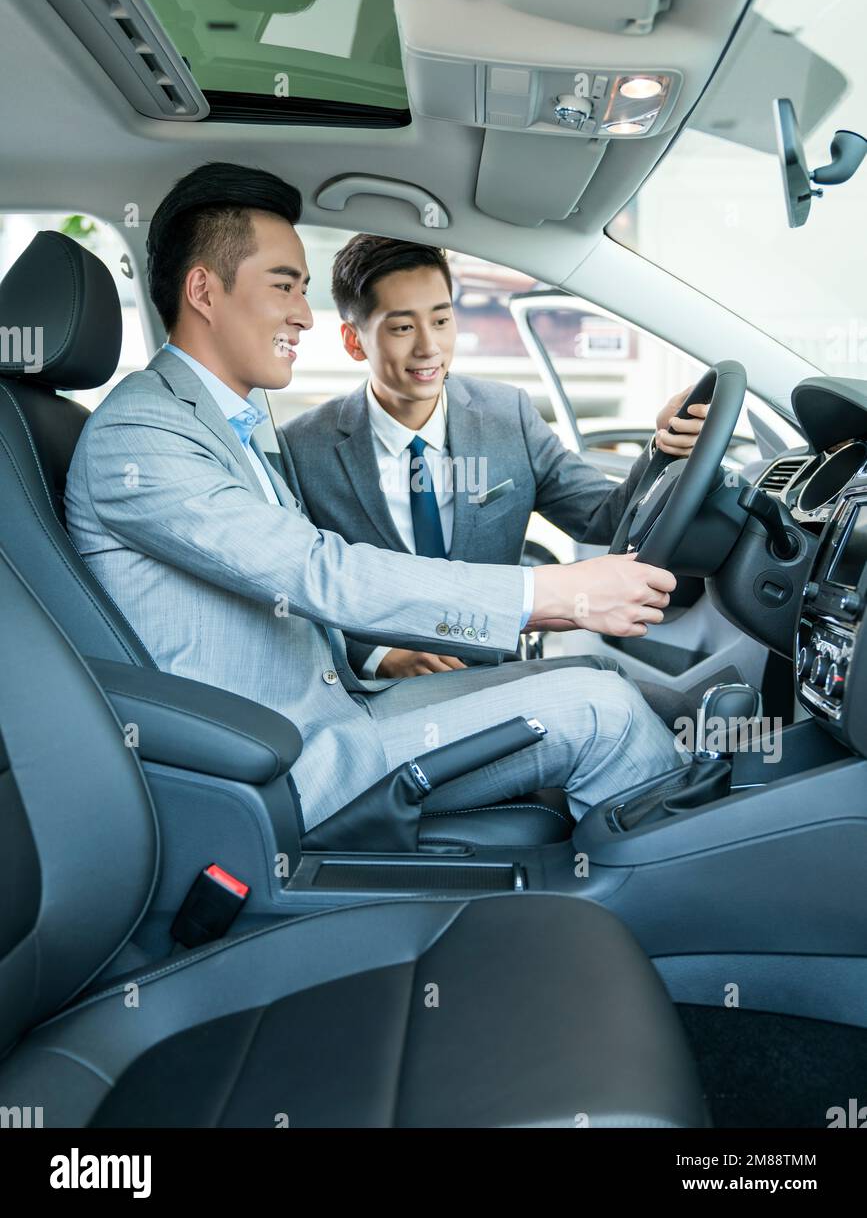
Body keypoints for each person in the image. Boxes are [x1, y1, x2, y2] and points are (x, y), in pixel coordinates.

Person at [65, 162, 684, 833]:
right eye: (284, 287)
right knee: (603, 712)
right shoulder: (142, 432)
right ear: (203, 291)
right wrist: (546, 595)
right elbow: (314, 570)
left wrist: (664, 454)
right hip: (278, 758)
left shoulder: (224, 424)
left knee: (598, 676)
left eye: (304, 291)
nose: (304, 315)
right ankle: (676, 889)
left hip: (337, 709)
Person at [279, 234, 707, 682]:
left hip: (491, 679)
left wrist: (664, 446)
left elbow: (602, 517)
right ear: (354, 341)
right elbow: (293, 586)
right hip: (371, 693)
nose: (429, 347)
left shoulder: (509, 415)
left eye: (441, 321)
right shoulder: (302, 448)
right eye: (403, 328)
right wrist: (375, 654)